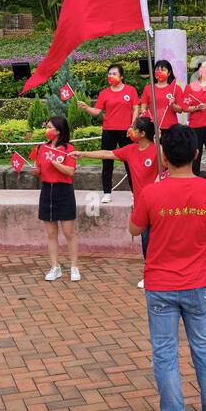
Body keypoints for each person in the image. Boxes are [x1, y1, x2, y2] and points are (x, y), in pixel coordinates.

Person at [128, 124, 206, 411]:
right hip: (197, 284)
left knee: (164, 353)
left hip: (160, 285)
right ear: (197, 154)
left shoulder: (152, 193)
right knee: (204, 348)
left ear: (163, 155)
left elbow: (134, 230)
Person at [76, 116, 160, 288]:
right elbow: (107, 153)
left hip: (159, 205)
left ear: (142, 133)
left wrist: (161, 177)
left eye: (133, 128)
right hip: (141, 206)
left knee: (161, 241)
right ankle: (150, 274)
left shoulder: (158, 151)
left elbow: (174, 167)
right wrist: (82, 153)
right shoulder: (130, 150)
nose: (130, 130)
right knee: (146, 241)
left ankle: (164, 273)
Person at [77, 64, 139, 203]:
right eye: (109, 73)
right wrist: (86, 107)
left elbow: (136, 108)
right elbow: (97, 112)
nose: (111, 76)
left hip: (127, 131)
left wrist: (133, 125)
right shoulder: (104, 93)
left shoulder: (130, 90)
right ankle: (107, 192)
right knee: (107, 162)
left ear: (121, 76)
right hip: (109, 130)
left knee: (130, 162)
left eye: (114, 73)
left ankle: (136, 193)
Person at [37, 115, 79, 282]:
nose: (47, 130)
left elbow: (70, 172)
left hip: (64, 191)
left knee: (69, 232)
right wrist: (36, 171)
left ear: (59, 130)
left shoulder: (69, 149)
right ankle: (55, 267)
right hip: (47, 190)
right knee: (51, 233)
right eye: (46, 127)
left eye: (50, 127)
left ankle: (74, 267)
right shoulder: (43, 147)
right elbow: (39, 168)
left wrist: (56, 164)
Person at [139, 59, 186, 135]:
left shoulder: (176, 88)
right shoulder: (148, 88)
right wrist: (143, 112)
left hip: (171, 127)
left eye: (163, 70)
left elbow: (180, 110)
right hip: (152, 127)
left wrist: (173, 104)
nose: (159, 72)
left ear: (169, 73)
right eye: (157, 70)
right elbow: (143, 107)